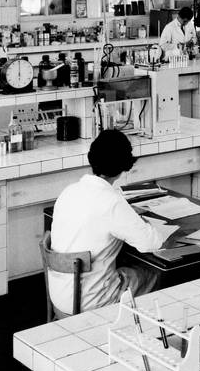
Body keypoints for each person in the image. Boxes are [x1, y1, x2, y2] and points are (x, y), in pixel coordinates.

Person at [48, 130, 177, 315]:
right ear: (123, 165)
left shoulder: (68, 192)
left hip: (60, 299)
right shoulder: (112, 202)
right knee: (155, 274)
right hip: (93, 303)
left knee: (124, 268)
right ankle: (146, 334)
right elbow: (151, 243)